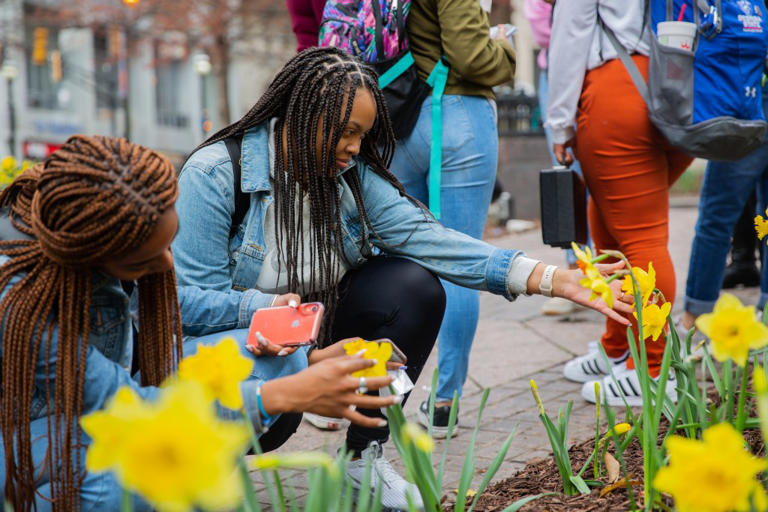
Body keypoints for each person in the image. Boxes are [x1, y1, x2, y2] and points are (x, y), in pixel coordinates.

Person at [172, 46, 632, 509]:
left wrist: (555, 280)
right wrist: (283, 332)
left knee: (413, 289)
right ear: (301, 115)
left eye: (362, 134)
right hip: (244, 350)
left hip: (311, 329)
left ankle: (362, 460)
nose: (355, 148)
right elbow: (191, 307)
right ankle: (198, 460)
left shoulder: (349, 177)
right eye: (346, 132)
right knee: (271, 408)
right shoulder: (215, 174)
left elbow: (432, 238)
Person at [0, 135, 396, 512]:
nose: (164, 265)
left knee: (281, 358)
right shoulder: (19, 299)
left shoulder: (102, 224)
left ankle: (181, 486)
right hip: (28, 432)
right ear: (90, 252)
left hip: (99, 403)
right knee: (121, 478)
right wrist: (278, 396)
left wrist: (278, 319)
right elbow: (122, 405)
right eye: (143, 261)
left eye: (167, 246)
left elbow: (176, 303)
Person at [547, 0, 693, 406]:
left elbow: (571, 33)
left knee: (641, 236)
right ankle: (618, 347)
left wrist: (559, 123)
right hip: (682, 87)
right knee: (612, 217)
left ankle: (652, 370)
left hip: (622, 88)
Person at [386, 0, 515, 439]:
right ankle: (444, 403)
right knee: (461, 262)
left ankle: (383, 396)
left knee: (401, 266)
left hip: (400, 118)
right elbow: (472, 56)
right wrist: (505, 48)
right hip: (457, 117)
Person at [681, 88, 768, 334]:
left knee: (716, 219)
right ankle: (766, 314)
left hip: (747, 102)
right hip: (751, 100)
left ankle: (696, 317)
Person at [523, 0, 590, 317]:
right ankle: (576, 273)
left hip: (601, 68)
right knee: (568, 174)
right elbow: (541, 29)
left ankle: (611, 268)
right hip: (558, 70)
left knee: (605, 175)